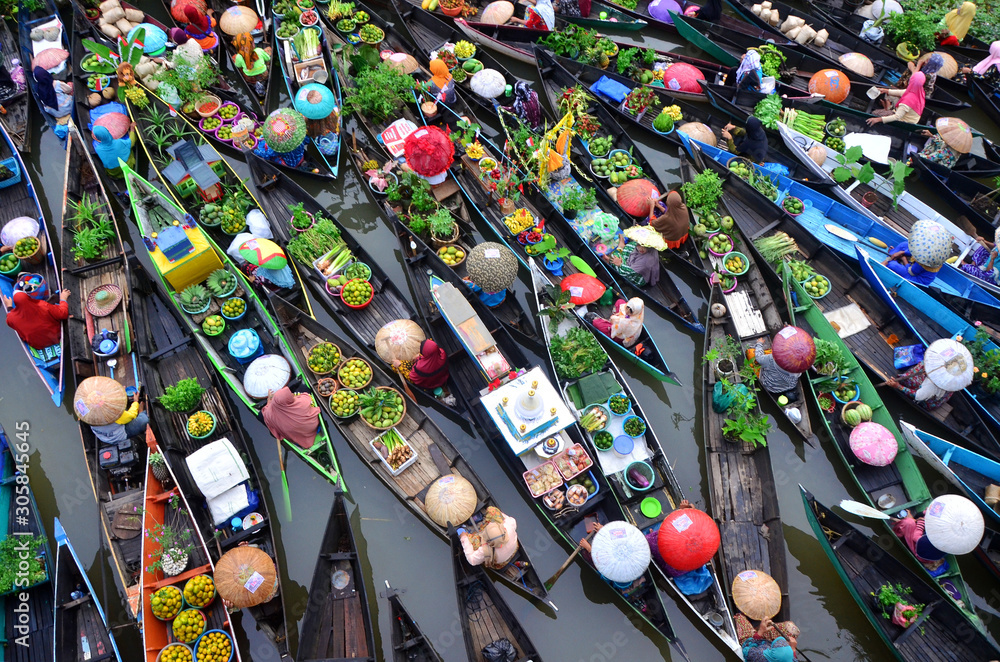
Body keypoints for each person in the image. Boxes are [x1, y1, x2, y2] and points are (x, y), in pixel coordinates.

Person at [2, 288, 69, 350]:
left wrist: (9, 307)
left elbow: (10, 319)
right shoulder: (43, 305)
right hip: (57, 337)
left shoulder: (11, 318)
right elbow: (63, 314)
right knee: (54, 301)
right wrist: (63, 299)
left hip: (37, 345)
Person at [884, 361, 954, 410]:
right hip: (932, 388)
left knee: (912, 381)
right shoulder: (948, 373)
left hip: (928, 401)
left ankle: (904, 381)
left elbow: (917, 396)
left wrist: (898, 386)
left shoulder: (933, 385)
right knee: (922, 364)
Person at [735, 614, 799, 662]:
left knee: (739, 617)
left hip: (755, 644)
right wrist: (793, 650)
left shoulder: (759, 655)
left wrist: (759, 633)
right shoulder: (788, 659)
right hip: (769, 647)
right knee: (791, 629)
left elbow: (746, 648)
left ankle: (756, 629)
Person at [232, 32, 270, 96]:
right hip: (264, 75)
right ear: (252, 44)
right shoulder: (259, 50)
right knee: (268, 50)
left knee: (234, 58)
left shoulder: (239, 56)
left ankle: (255, 85)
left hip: (250, 78)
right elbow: (268, 58)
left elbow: (238, 66)